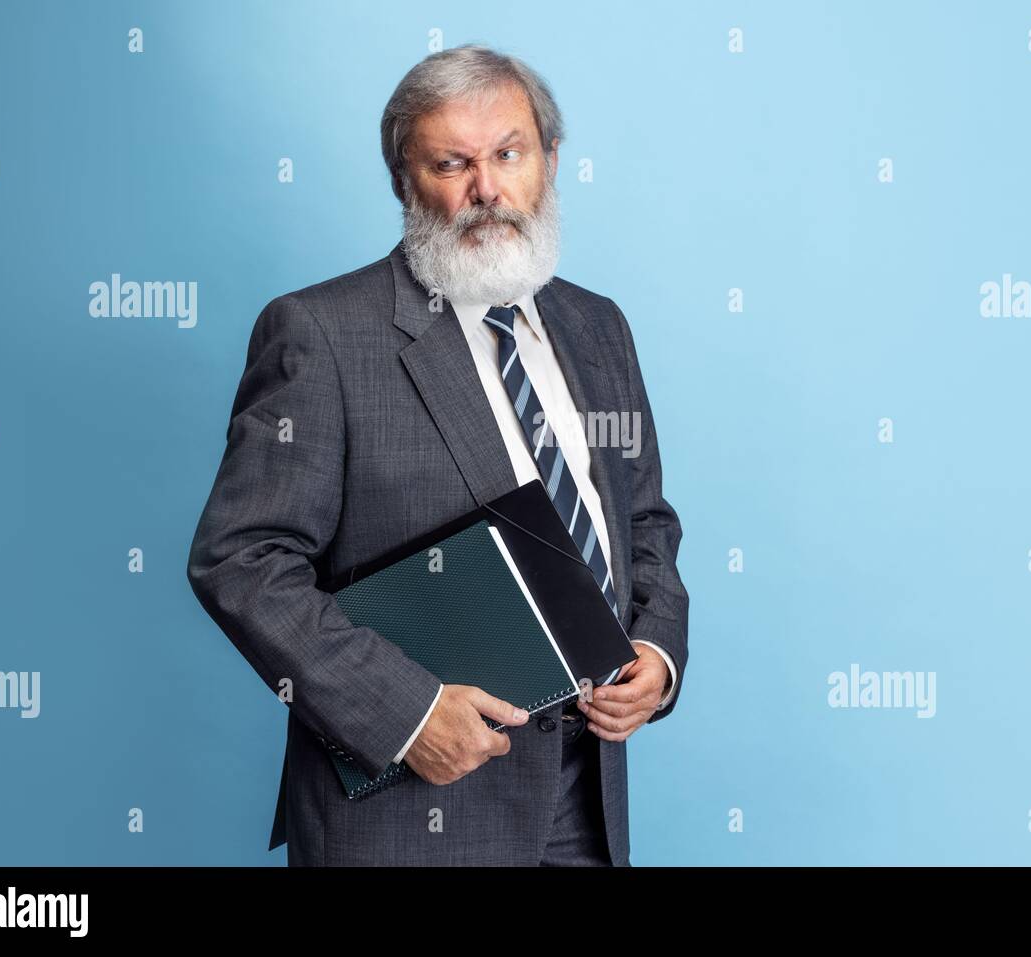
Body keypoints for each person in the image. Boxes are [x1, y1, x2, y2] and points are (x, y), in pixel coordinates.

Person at [186, 44, 689, 866]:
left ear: (551, 160)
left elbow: (645, 521)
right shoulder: (321, 334)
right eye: (452, 163)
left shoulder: (600, 328)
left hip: (589, 803)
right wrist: (407, 713)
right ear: (403, 182)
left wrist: (659, 653)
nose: (486, 188)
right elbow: (241, 559)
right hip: (410, 821)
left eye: (508, 154)